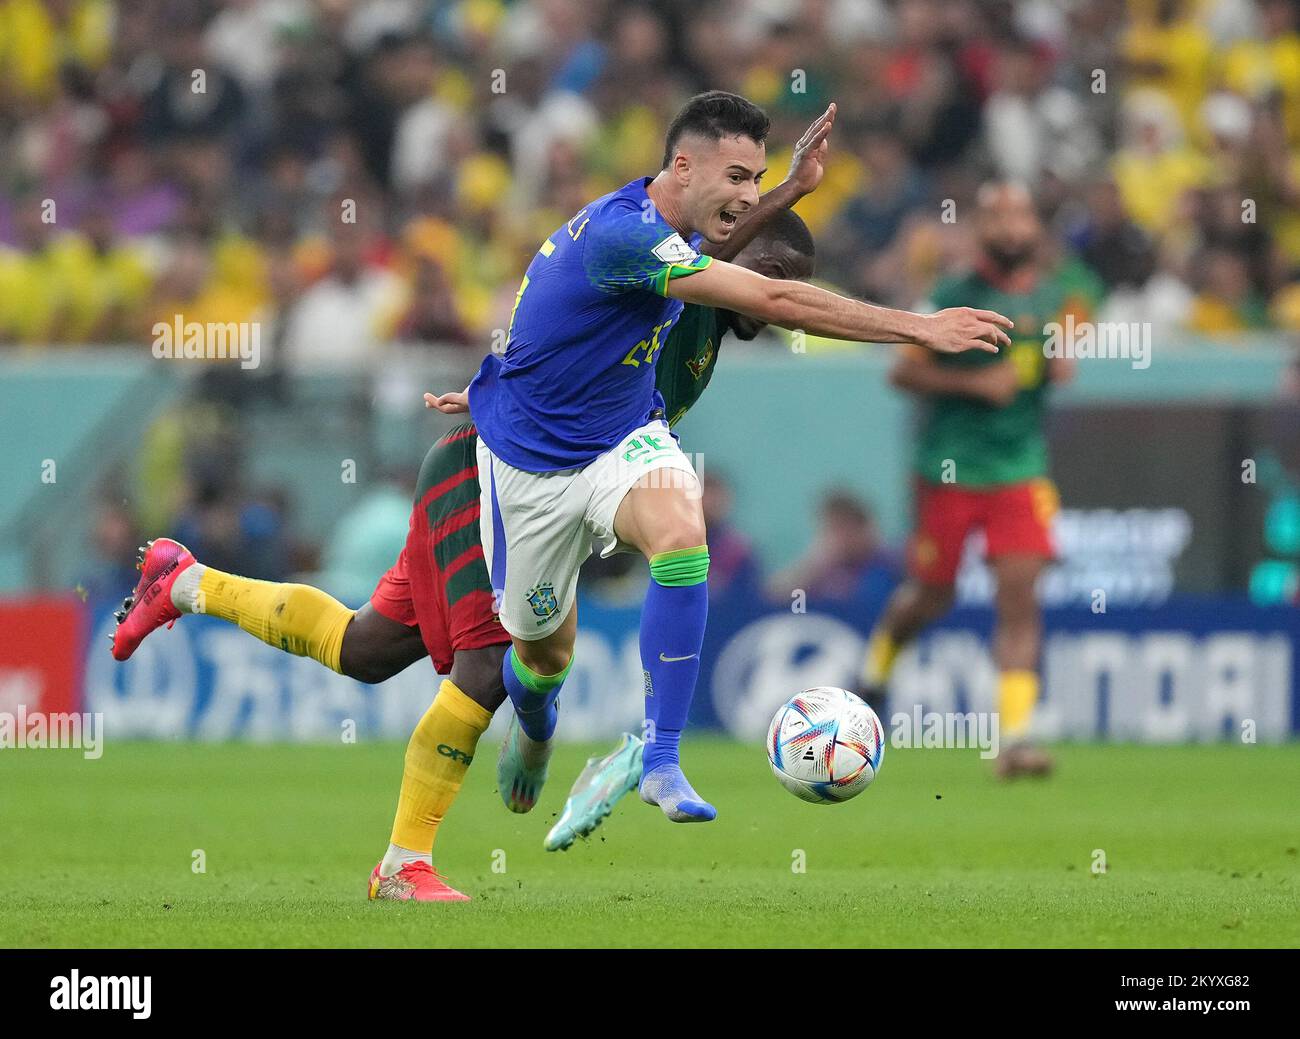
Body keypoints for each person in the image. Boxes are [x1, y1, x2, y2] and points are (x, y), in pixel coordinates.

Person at [110, 108, 824, 900]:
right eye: (773, 279)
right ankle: (402, 863)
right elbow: (687, 257)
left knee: (369, 648)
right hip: (483, 469)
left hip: (524, 475)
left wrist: (788, 189)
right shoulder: (673, 276)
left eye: (787, 288)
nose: (776, 298)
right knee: (487, 664)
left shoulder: (693, 320)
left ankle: (183, 581)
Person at [458, 90, 1009, 829]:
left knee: (684, 533)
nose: (749, 194)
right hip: (532, 467)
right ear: (683, 165)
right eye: (740, 177)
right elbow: (771, 293)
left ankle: (661, 761)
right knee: (540, 655)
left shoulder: (676, 252)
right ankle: (534, 719)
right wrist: (920, 325)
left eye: (756, 179)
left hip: (623, 440)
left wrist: (790, 190)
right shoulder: (628, 239)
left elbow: (732, 262)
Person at [857, 181, 1075, 778]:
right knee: (934, 594)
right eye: (997, 216)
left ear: (1034, 227)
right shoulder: (954, 292)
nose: (1011, 227)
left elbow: (1053, 367)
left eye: (1021, 215)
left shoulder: (1055, 295)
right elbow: (903, 374)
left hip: (1020, 470)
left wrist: (1056, 367)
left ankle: (1017, 740)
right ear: (979, 228)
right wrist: (974, 385)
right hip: (949, 471)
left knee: (1020, 600)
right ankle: (874, 673)